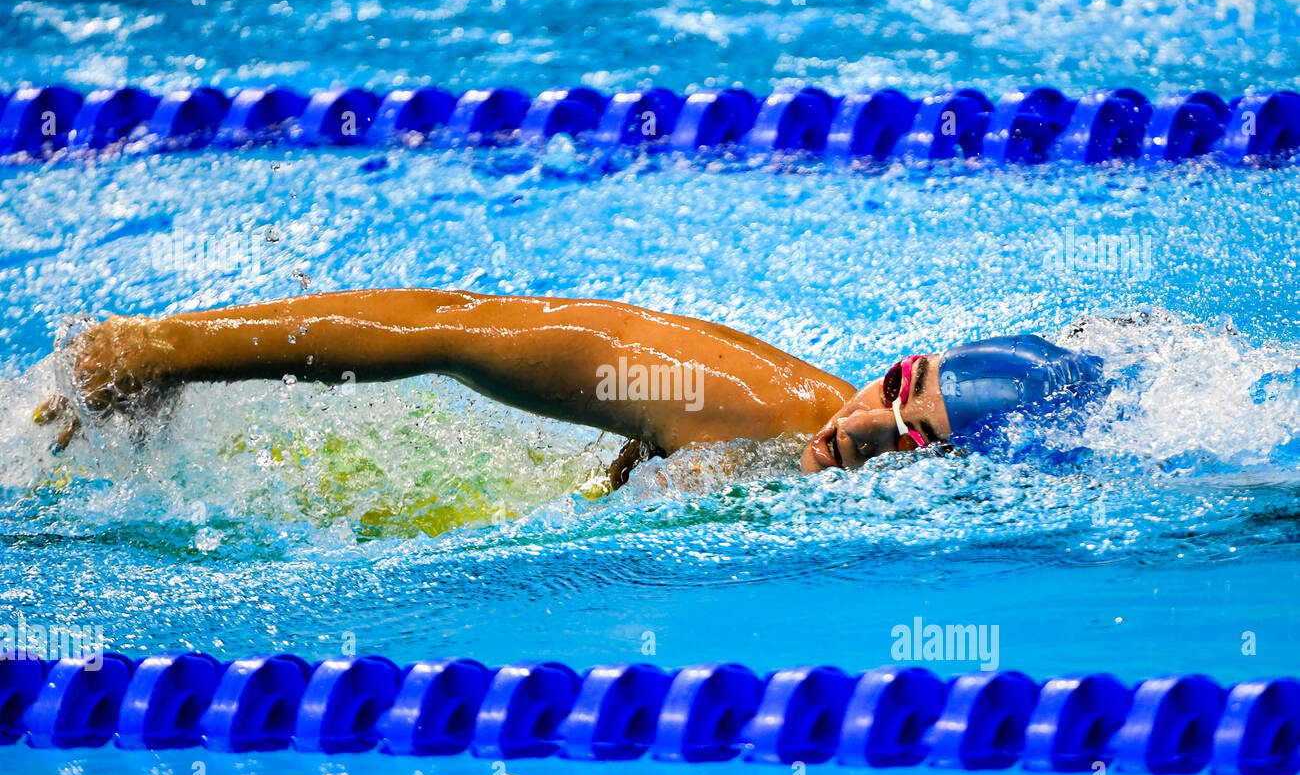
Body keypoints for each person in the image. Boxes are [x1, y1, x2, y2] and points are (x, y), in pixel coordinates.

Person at [34, 288, 1103, 486]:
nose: (865, 430)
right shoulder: (728, 393)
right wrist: (163, 349)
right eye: (893, 393)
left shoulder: (783, 456)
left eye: (916, 445)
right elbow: (448, 329)